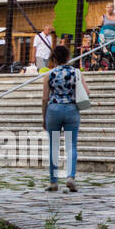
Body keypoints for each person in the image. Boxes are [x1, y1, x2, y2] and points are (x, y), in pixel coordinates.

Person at [42, 45, 83, 192]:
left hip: (53, 110)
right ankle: (70, 177)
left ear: (54, 59)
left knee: (54, 145)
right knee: (71, 145)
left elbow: (45, 98)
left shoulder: (49, 75)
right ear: (67, 57)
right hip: (72, 110)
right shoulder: (76, 73)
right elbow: (87, 91)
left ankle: (53, 182)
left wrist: (43, 117)